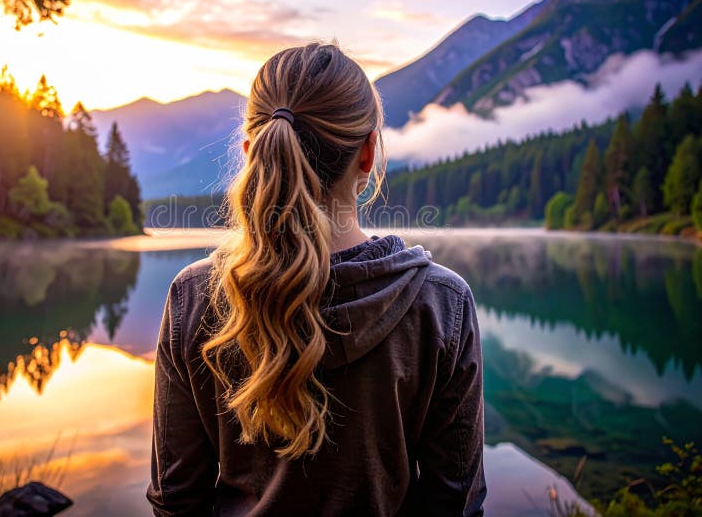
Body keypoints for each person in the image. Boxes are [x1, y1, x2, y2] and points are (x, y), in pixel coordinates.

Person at [147, 42, 486, 516]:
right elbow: (455, 505)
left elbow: (175, 501)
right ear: (368, 153)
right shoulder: (442, 304)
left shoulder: (194, 298)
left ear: (251, 152)